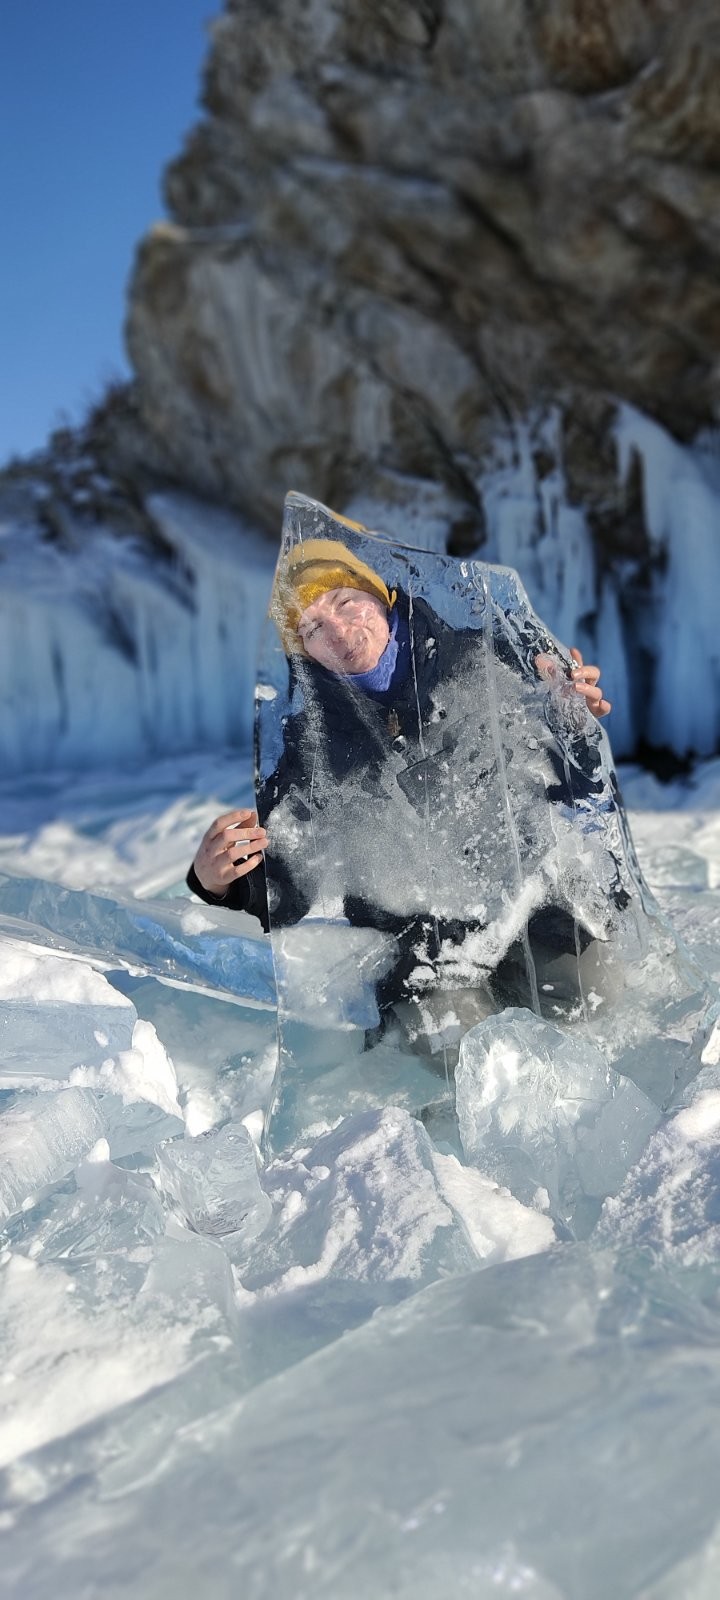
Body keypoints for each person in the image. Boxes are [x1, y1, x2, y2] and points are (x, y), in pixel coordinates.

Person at [187, 538, 615, 1020]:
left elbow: (580, 792)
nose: (339, 632)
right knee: (451, 1040)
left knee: (597, 997)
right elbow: (288, 879)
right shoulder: (312, 747)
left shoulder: (487, 657)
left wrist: (573, 721)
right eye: (312, 628)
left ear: (381, 597)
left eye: (345, 602)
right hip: (418, 950)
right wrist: (218, 883)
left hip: (534, 903)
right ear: (304, 653)